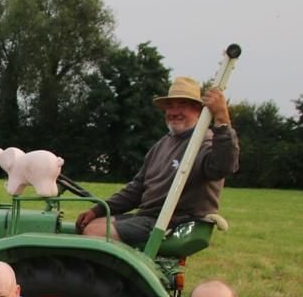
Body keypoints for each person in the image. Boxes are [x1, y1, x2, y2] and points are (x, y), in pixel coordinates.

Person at [75, 76, 240, 246]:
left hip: (173, 223)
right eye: (170, 106)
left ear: (198, 109)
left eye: (182, 104)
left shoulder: (205, 143)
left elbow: (224, 166)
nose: (174, 112)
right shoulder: (163, 144)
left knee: (94, 232)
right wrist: (98, 210)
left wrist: (222, 119)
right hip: (148, 218)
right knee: (88, 225)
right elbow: (136, 189)